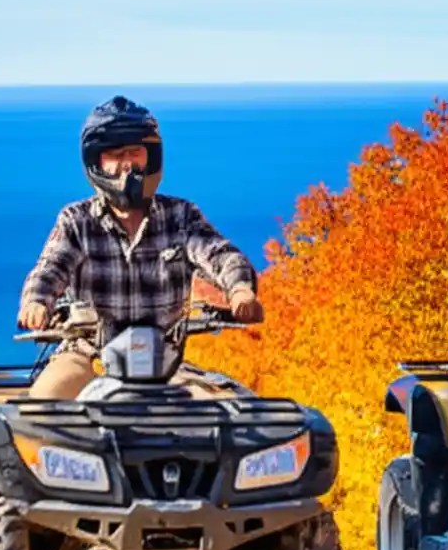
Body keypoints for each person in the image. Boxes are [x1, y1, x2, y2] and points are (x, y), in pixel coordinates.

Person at [17, 95, 264, 400]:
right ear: (96, 163)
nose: (127, 164)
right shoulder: (76, 221)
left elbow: (218, 254)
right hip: (88, 353)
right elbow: (50, 267)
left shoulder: (180, 216)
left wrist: (239, 289)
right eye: (114, 154)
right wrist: (36, 302)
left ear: (152, 157)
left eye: (135, 152)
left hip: (163, 358)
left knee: (229, 412)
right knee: (43, 406)